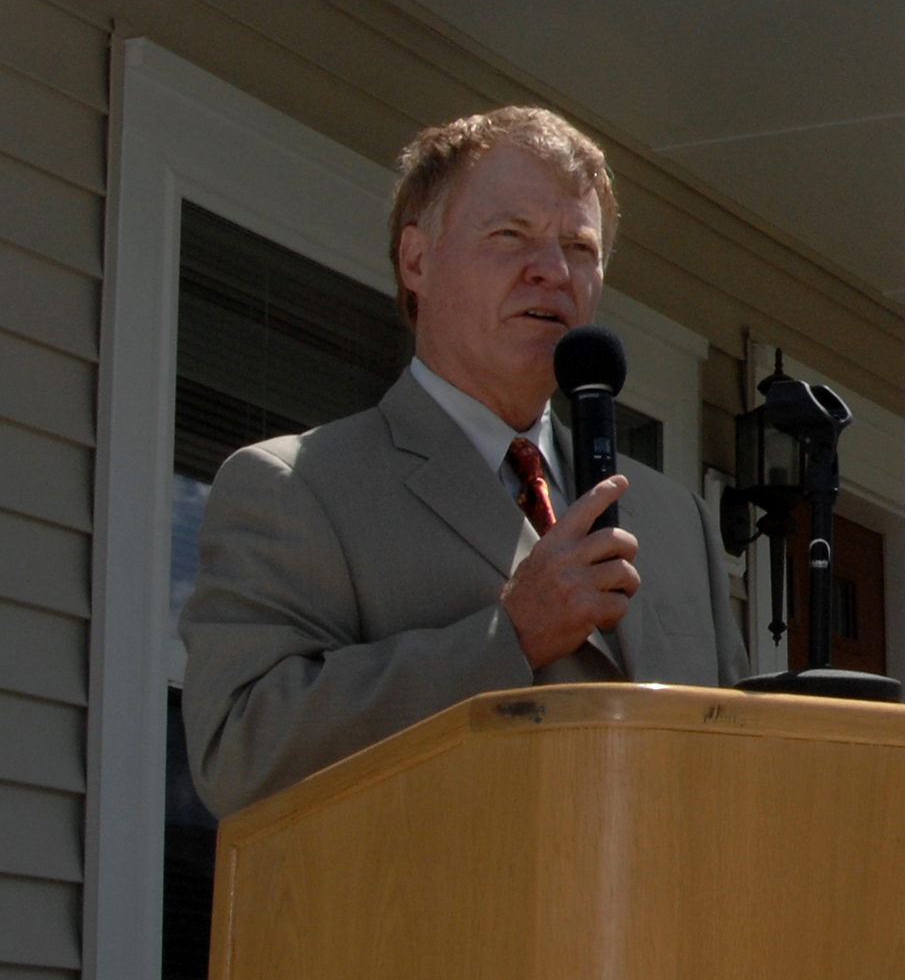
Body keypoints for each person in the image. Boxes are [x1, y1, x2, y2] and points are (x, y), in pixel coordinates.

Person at [181, 107, 747, 818]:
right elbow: (243, 752)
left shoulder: (676, 522)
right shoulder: (297, 486)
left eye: (580, 247)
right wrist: (508, 638)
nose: (552, 270)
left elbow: (738, 773)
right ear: (416, 260)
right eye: (511, 236)